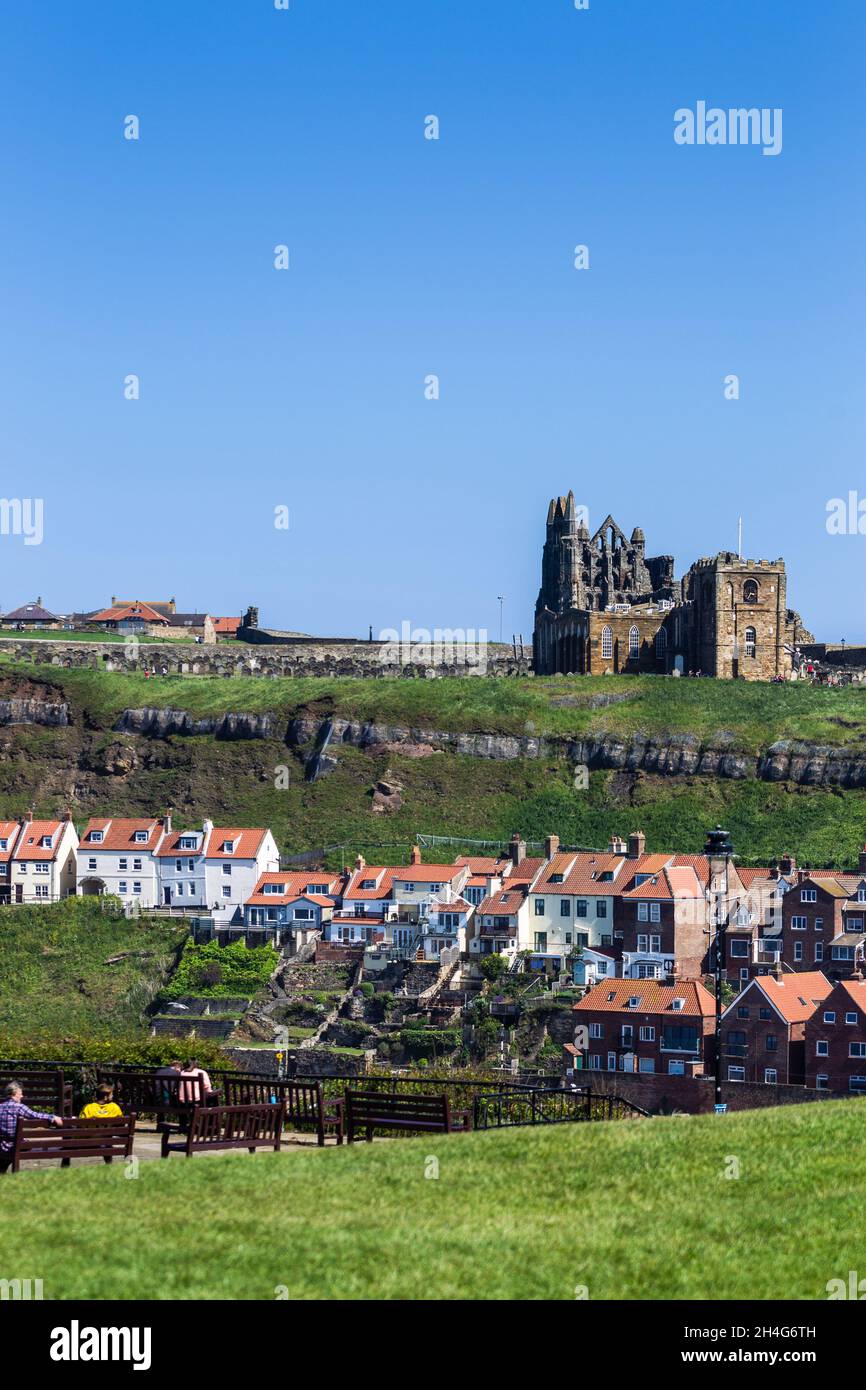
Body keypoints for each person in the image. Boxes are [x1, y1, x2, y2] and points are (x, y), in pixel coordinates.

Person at [0, 1080, 63, 1173]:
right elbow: (35, 1115)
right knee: (24, 1144)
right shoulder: (19, 1107)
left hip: (2, 1145)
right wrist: (52, 1117)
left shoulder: (0, 1107)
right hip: (17, 1145)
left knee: (3, 1162)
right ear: (14, 1094)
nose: (22, 1096)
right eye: (20, 1094)